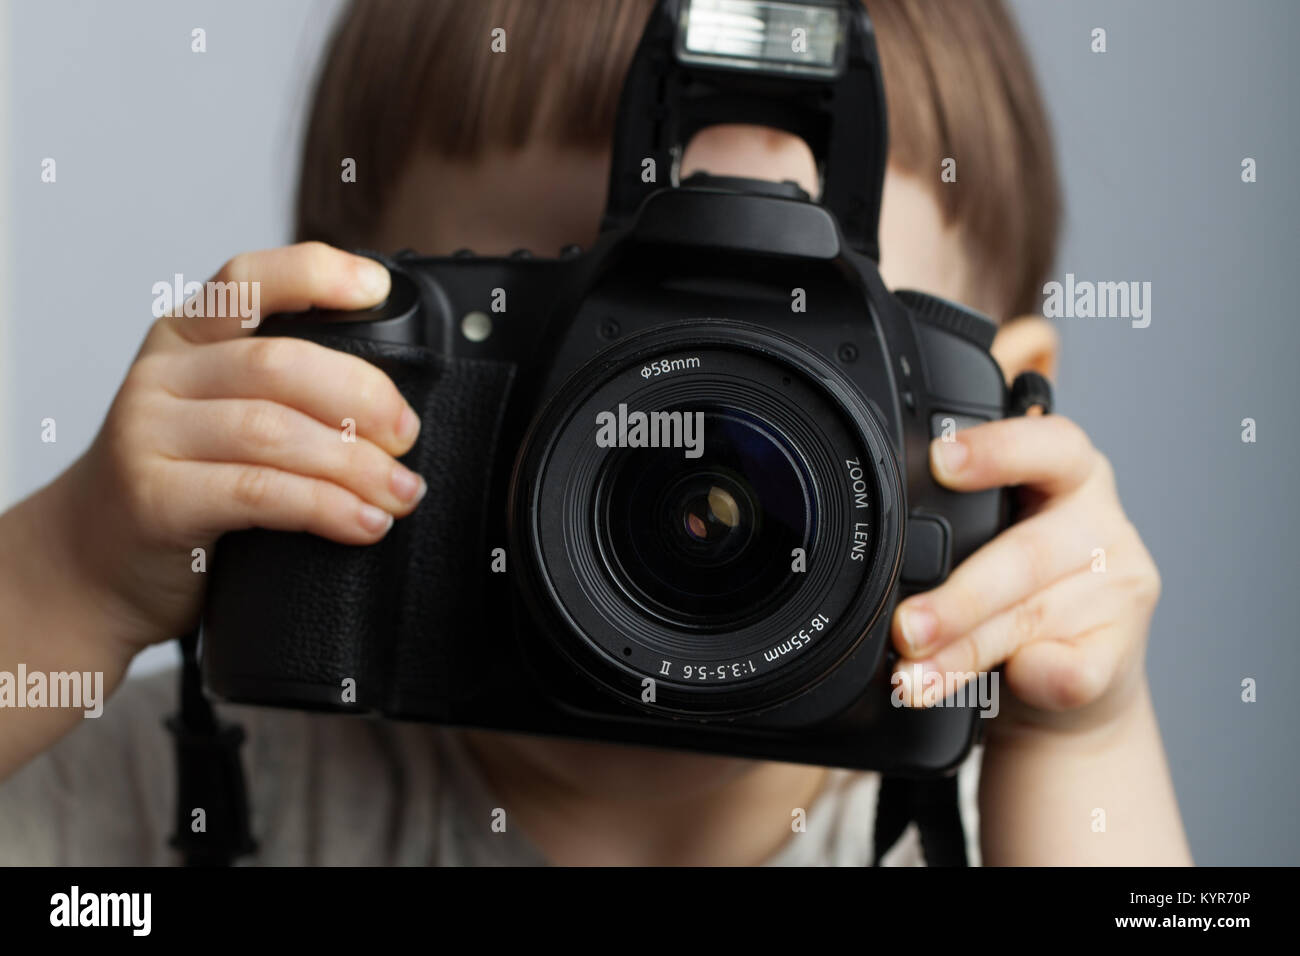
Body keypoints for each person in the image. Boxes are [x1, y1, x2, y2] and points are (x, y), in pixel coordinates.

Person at [0, 0, 1191, 866]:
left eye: (792, 355)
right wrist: (68, 579)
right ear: (327, 343)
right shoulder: (182, 791)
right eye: (566, 309)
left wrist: (1082, 745)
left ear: (1004, 433)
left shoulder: (1011, 831)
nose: (694, 452)